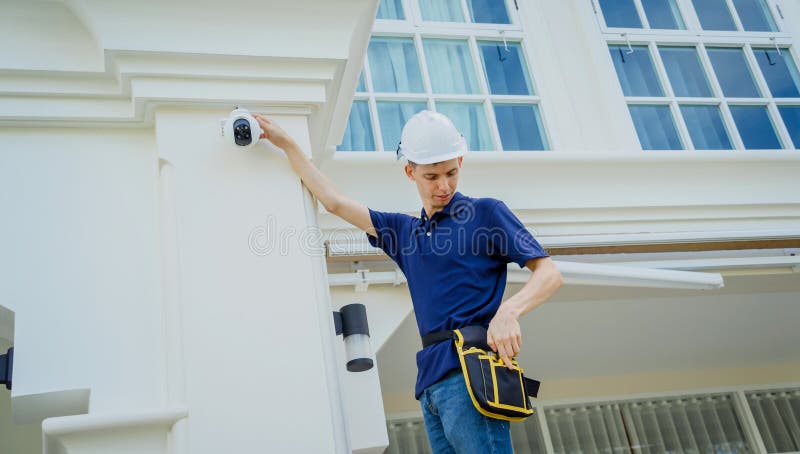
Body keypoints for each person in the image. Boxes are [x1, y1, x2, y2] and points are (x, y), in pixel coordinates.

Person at [253, 110, 563, 453]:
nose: (443, 185)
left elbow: (549, 273)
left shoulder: (486, 213)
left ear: (460, 161)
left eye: (451, 172)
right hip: (430, 386)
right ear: (409, 171)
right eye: (431, 176)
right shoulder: (404, 232)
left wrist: (509, 311)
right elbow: (334, 202)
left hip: (470, 375)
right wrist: (288, 144)